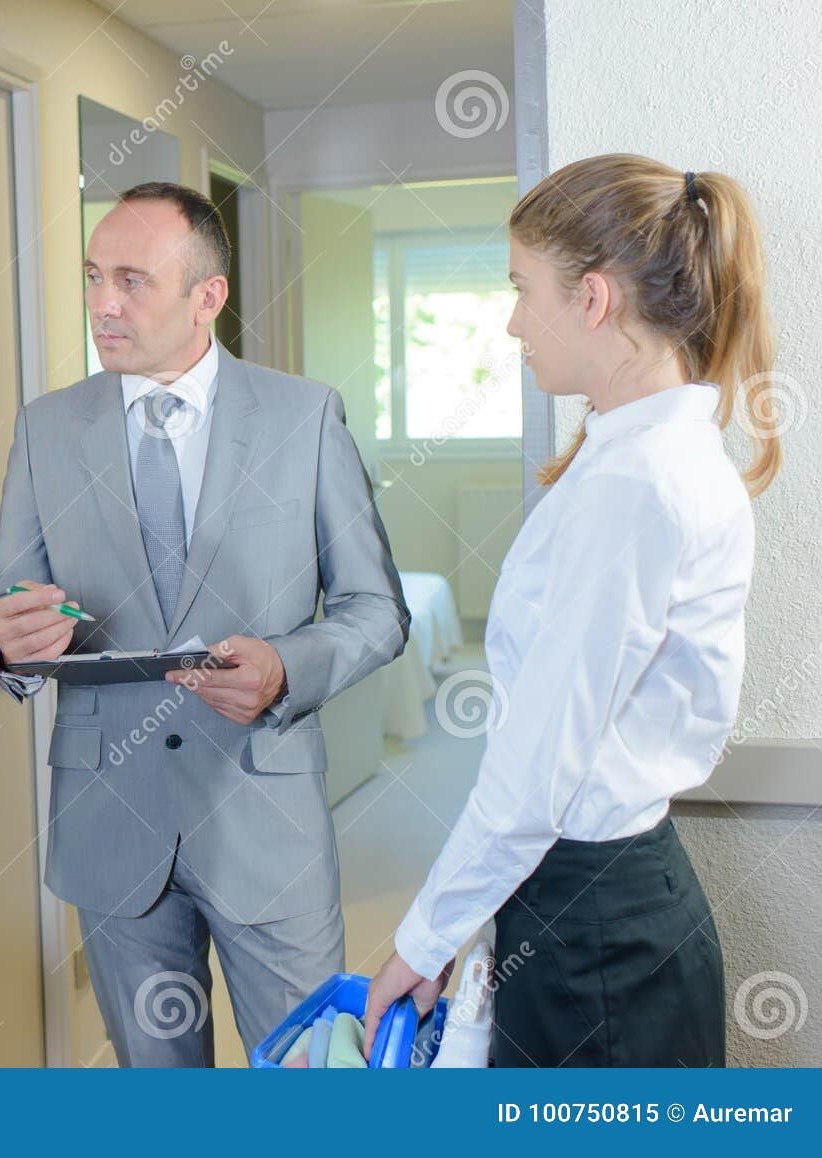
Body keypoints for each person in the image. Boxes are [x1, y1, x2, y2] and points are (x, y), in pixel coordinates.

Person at [0, 182, 409, 1066]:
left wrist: (287, 666)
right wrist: (6, 646)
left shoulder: (303, 416)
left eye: (131, 280)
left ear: (208, 296)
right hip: (109, 824)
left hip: (266, 821)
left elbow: (376, 610)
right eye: (93, 277)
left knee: (312, 1082)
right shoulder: (47, 428)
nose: (103, 303)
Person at [363, 154, 783, 1067]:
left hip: (597, 933)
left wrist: (424, 940)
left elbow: (536, 766)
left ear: (593, 299)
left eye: (522, 289)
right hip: (596, 908)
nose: (514, 320)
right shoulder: (640, 456)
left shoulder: (638, 484)